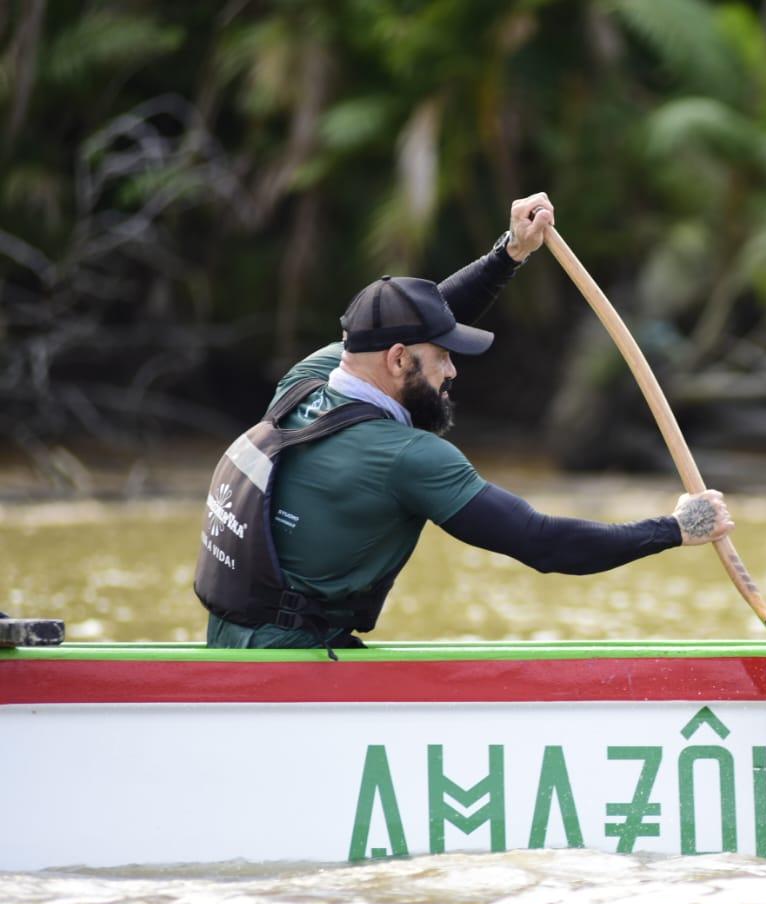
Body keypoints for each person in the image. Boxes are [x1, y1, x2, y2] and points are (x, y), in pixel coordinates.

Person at [196, 192, 732, 652]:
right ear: (400, 359)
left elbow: (420, 317)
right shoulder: (408, 458)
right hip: (289, 665)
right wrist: (677, 528)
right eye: (442, 358)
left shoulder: (305, 380)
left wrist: (511, 251)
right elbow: (543, 543)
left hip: (228, 643)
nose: (452, 371)